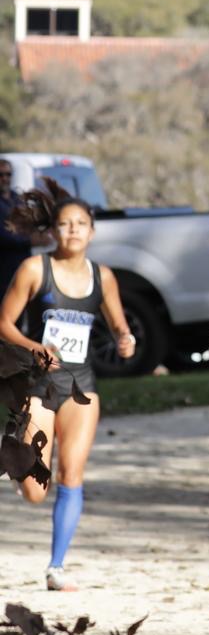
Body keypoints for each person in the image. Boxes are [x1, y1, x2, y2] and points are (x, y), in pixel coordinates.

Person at [0, 183, 136, 591]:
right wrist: (33, 346)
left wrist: (127, 340)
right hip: (38, 384)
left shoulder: (103, 276)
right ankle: (13, 450)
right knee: (35, 492)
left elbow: (118, 325)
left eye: (81, 224)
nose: (73, 230)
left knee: (72, 474)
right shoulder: (34, 270)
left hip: (81, 386)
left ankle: (56, 568)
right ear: (51, 232)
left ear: (92, 231)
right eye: (65, 224)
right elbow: (3, 323)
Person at [0, 160, 36, 294]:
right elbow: (3, 237)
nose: (5, 178)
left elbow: (31, 223)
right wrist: (29, 240)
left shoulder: (18, 199)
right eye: (1, 175)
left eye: (8, 174)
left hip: (23, 266)